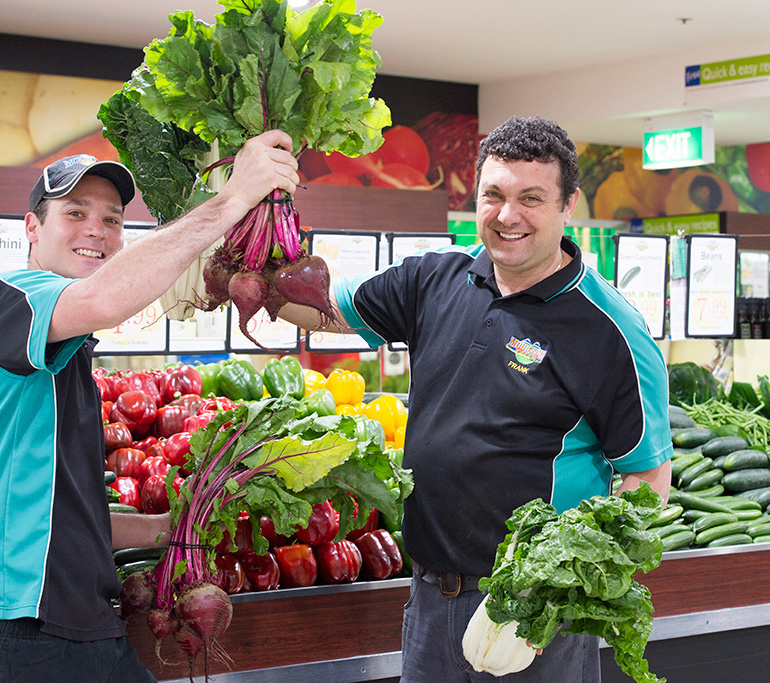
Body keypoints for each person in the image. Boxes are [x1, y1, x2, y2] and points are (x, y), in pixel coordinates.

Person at [280, 116, 673, 682]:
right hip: (429, 599)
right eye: (494, 195)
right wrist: (238, 269)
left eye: (531, 198)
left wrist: (556, 593)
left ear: (568, 205)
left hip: (533, 622)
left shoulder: (611, 328)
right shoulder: (435, 278)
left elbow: (647, 479)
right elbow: (324, 308)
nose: (508, 215)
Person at [0, 130, 299, 683]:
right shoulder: (10, 297)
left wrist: (165, 527)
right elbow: (105, 298)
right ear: (31, 227)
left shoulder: (66, 347)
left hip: (83, 623)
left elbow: (62, 510)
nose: (96, 230)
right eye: (75, 212)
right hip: (8, 629)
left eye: (112, 219)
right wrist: (232, 200)